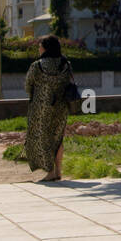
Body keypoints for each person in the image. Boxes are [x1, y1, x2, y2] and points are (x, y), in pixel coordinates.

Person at [24, 35, 74, 182]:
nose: (39, 49)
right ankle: (58, 171)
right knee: (58, 138)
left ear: (45, 48)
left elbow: (28, 85)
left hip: (41, 106)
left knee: (43, 137)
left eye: (40, 46)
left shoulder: (37, 66)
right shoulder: (66, 64)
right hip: (61, 106)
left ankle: (50, 171)